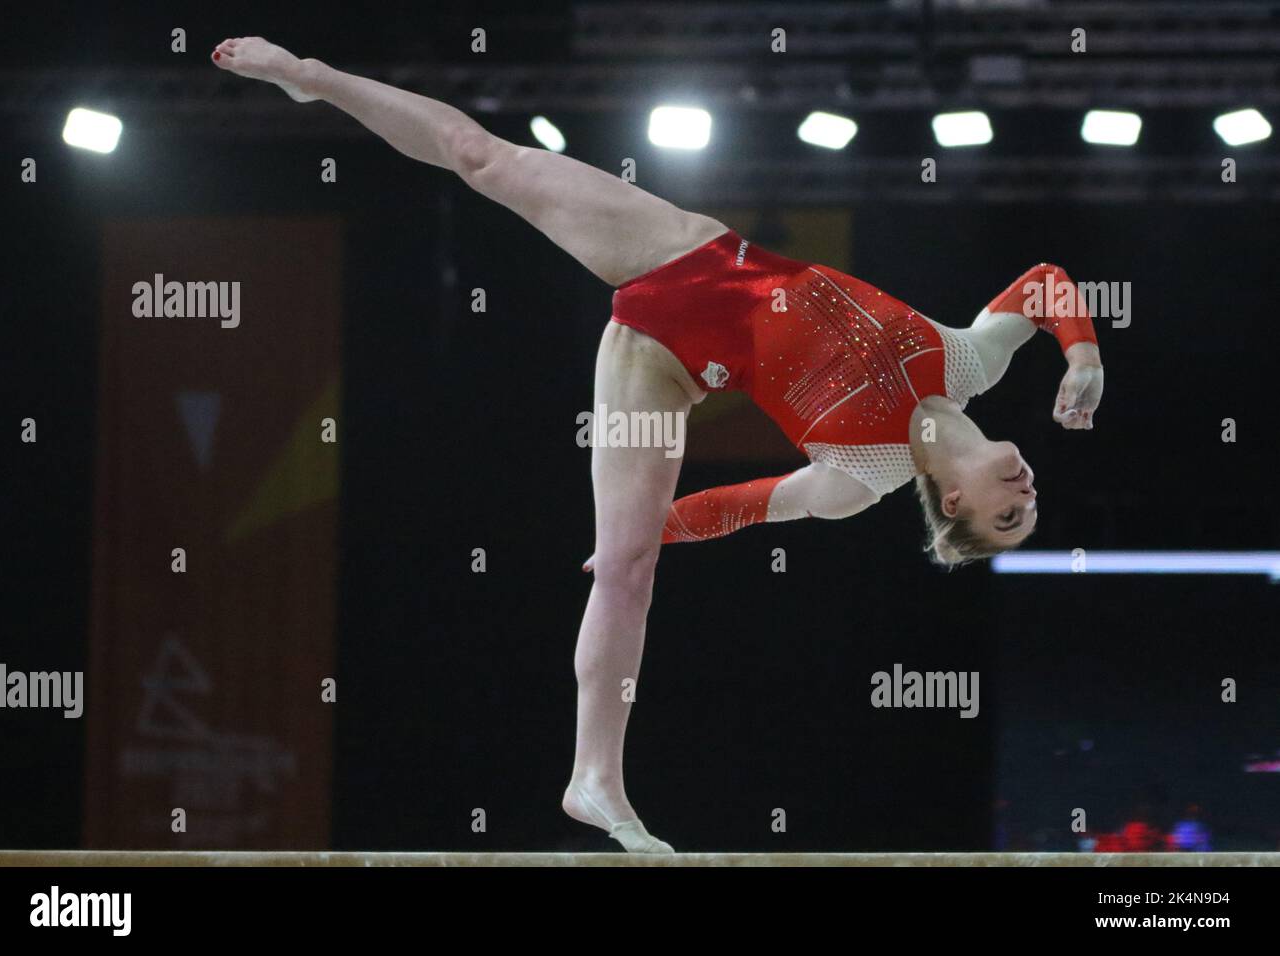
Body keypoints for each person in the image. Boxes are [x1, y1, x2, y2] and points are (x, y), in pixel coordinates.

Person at [212, 38, 1105, 852]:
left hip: (663, 366)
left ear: (955, 504)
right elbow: (1044, 282)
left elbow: (725, 509)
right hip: (690, 256)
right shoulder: (971, 362)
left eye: (1011, 515)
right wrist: (1084, 355)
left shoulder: (858, 480)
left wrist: (629, 544)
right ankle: (315, 80)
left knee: (633, 572)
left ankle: (593, 779)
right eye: (1029, 504)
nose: (1026, 490)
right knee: (484, 157)